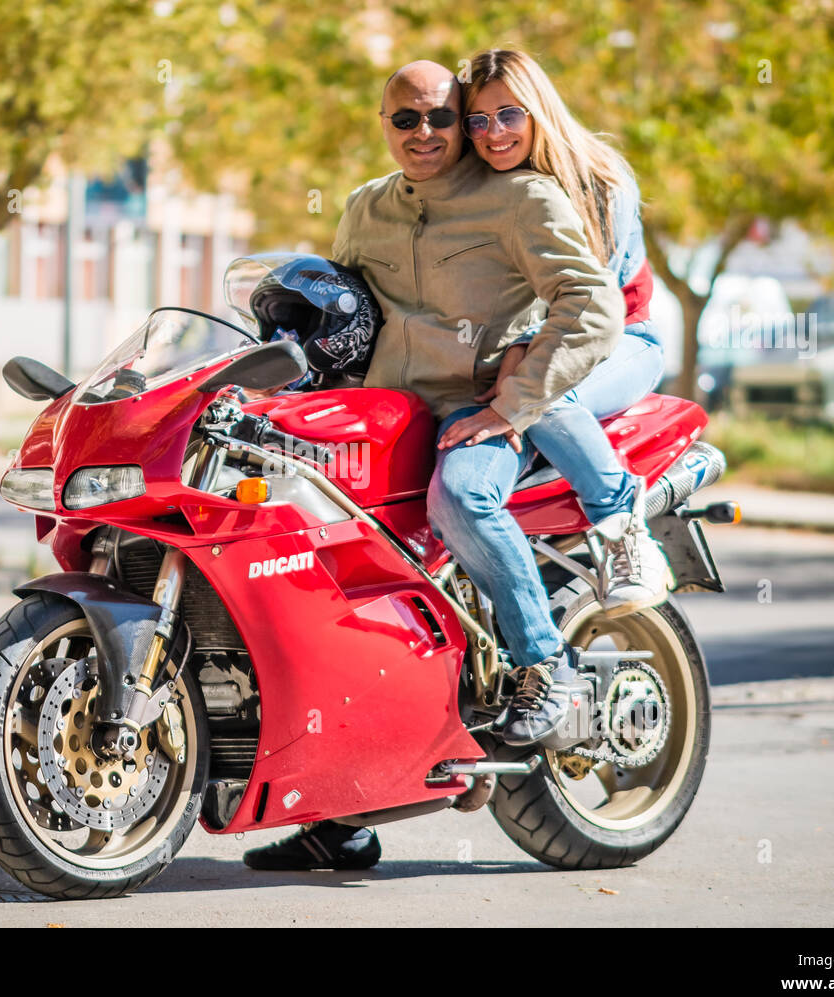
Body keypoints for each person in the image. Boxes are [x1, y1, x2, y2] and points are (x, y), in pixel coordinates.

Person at [243, 59, 624, 872]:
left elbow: (592, 307)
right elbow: (340, 320)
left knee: (461, 502)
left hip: (470, 410)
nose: (424, 134)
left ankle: (543, 668)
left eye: (440, 119)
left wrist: (508, 405)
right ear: (384, 124)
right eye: (403, 120)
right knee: (317, 583)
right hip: (377, 417)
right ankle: (340, 815)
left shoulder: (521, 198)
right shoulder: (365, 207)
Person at [456, 48, 671, 615]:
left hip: (623, 341)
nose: (493, 133)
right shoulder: (483, 185)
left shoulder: (601, 179)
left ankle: (626, 532)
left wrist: (523, 356)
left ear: (539, 110)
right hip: (522, 353)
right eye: (478, 120)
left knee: (546, 396)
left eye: (509, 114)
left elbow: (590, 306)